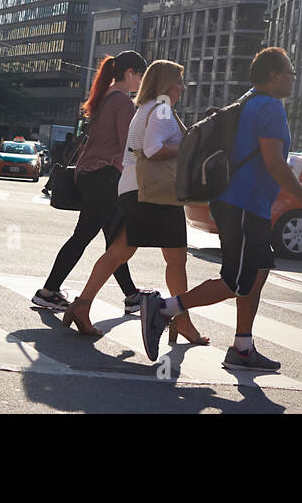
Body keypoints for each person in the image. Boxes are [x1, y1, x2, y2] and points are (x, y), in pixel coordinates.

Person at [140, 47, 302, 371]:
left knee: (257, 271)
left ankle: (242, 346)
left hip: (241, 203)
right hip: (243, 204)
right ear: (274, 76)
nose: (293, 79)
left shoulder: (249, 100)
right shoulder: (270, 106)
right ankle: (163, 308)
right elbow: (274, 162)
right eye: (290, 73)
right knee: (235, 280)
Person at [60, 61, 211, 346]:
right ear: (166, 84)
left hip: (137, 190)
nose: (182, 87)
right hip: (154, 193)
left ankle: (82, 305)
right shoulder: (162, 108)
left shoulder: (146, 107)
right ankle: (181, 320)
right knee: (173, 260)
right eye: (178, 81)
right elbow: (153, 149)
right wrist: (188, 146)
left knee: (124, 252)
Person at [31, 51, 148, 315]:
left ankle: (131, 295)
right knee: (85, 236)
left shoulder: (105, 97)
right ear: (130, 73)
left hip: (90, 174)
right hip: (105, 177)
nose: (141, 83)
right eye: (141, 76)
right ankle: (48, 291)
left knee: (113, 239)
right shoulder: (123, 103)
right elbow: (128, 145)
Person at [41, 131, 75, 195]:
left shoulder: (61, 145)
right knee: (60, 177)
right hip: (64, 163)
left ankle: (47, 188)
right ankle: (52, 189)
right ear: (71, 138)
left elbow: (54, 153)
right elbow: (65, 154)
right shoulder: (71, 145)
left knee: (54, 176)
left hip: (57, 163)